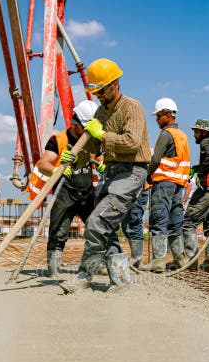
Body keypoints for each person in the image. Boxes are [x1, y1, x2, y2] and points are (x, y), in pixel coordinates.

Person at [60, 58, 151, 293]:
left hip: (132, 171)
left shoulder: (133, 107)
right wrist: (73, 159)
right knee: (105, 227)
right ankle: (121, 282)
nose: (98, 95)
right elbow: (91, 147)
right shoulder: (101, 111)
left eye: (101, 90)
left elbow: (131, 143)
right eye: (95, 91)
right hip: (111, 171)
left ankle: (83, 277)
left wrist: (102, 135)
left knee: (97, 222)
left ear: (115, 84)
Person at [35, 99, 100, 277]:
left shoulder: (92, 139)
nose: (86, 131)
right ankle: (54, 268)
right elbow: (43, 164)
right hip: (64, 192)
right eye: (84, 126)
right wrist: (57, 169)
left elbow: (100, 159)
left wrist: (104, 166)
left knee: (98, 228)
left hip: (87, 193)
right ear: (75, 121)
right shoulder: (59, 139)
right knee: (59, 230)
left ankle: (97, 264)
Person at [137, 98, 191, 273]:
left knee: (159, 218)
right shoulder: (182, 135)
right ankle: (180, 258)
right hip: (178, 184)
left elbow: (155, 159)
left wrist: (148, 175)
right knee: (175, 221)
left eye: (159, 116)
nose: (157, 119)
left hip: (164, 183)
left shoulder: (166, 134)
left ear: (167, 115)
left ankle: (158, 261)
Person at [182, 118, 209, 271]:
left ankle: (192, 261)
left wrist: (199, 173)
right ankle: (207, 262)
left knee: (188, 222)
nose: (194, 135)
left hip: (208, 189)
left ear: (204, 132)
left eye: (196, 132)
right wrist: (196, 167)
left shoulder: (205, 143)